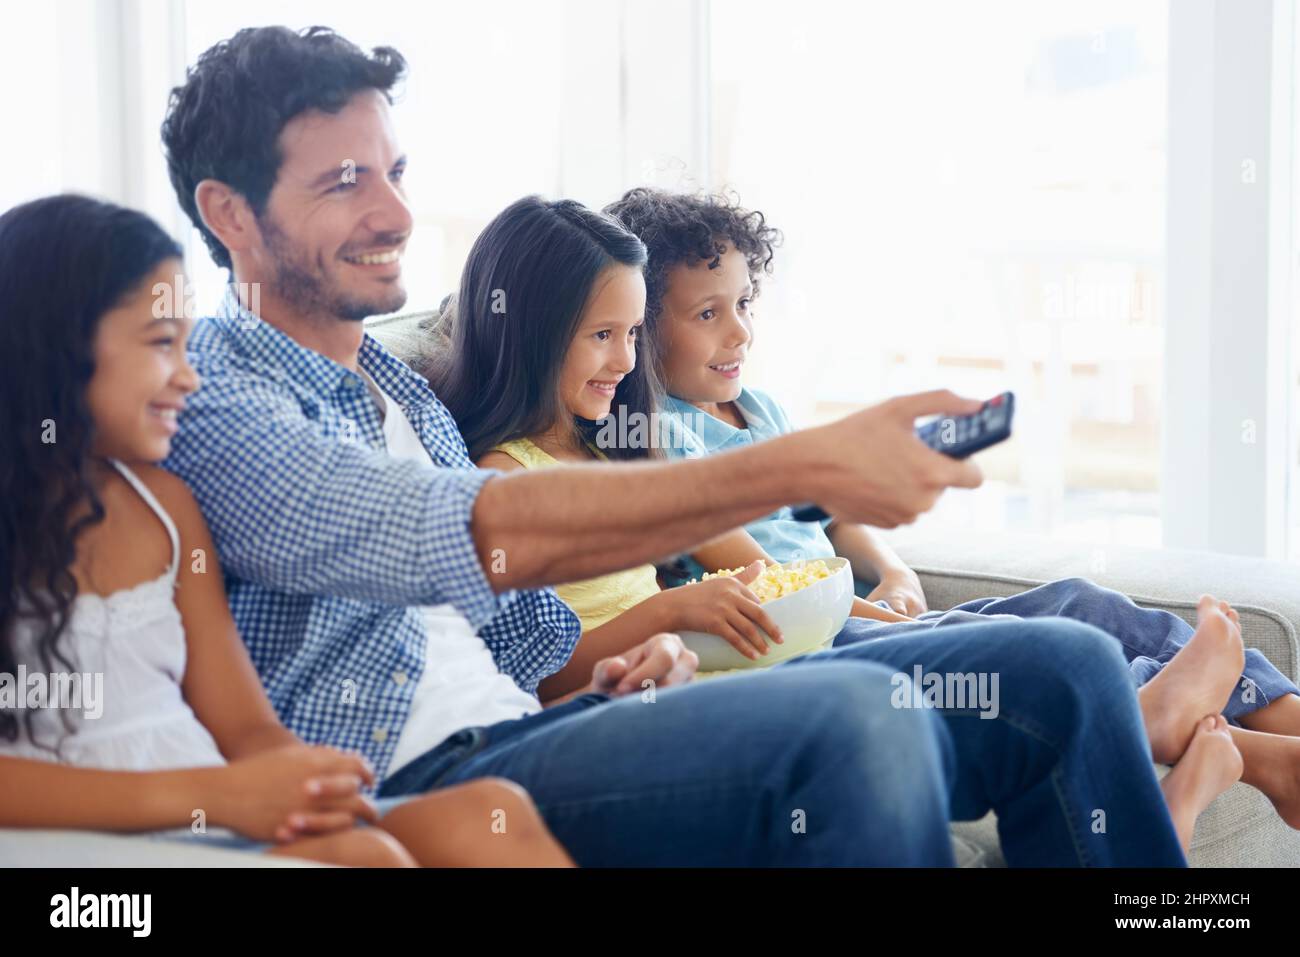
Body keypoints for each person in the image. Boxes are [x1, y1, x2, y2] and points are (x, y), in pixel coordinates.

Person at [157, 24, 1195, 865]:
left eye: (395, 170)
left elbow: (530, 649)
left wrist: (619, 666)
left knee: (1059, 665)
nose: (393, 209)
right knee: (861, 718)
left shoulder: (401, 393)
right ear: (231, 215)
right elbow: (451, 532)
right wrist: (801, 465)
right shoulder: (213, 393)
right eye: (345, 181)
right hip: (414, 779)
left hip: (534, 730)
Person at [0, 194, 573, 867]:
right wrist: (218, 795)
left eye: (188, 344)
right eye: (161, 344)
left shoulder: (163, 506)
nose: (188, 376)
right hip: (76, 836)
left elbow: (244, 724)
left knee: (481, 818)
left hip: (204, 809)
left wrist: (302, 780)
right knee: (371, 859)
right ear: (54, 345)